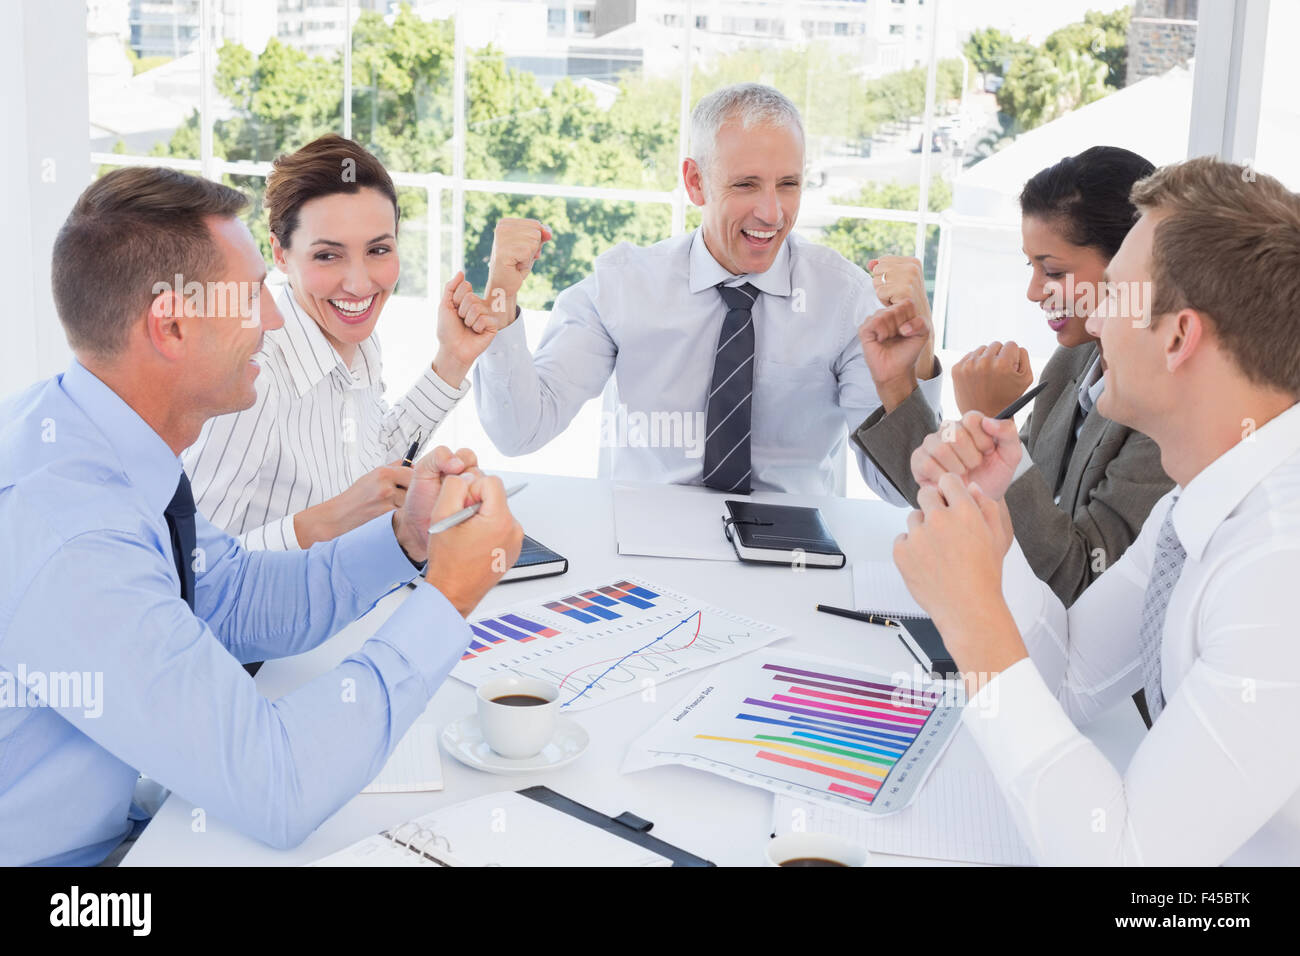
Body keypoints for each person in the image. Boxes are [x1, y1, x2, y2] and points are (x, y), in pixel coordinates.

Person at [0, 166, 522, 866]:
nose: (275, 318)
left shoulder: (89, 428)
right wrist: (449, 596)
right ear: (172, 323)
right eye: (251, 297)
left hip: (132, 819)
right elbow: (279, 785)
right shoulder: (77, 542)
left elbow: (231, 595)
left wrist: (406, 538)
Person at [892, 157, 1300, 865]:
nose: (1090, 314)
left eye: (1112, 292)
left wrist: (970, 616)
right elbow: (1074, 677)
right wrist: (992, 506)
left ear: (1178, 338)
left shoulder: (1279, 565)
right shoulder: (1199, 499)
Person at [462, 82, 941, 500]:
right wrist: (502, 293)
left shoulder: (845, 300)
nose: (772, 213)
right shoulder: (624, 285)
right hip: (643, 538)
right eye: (746, 185)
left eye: (788, 184)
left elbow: (905, 489)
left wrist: (919, 364)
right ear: (696, 182)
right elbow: (519, 432)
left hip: (791, 551)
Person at [854, 147, 1174, 606]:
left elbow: (1079, 583)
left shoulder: (1165, 407)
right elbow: (960, 503)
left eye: (1054, 270)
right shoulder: (1074, 362)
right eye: (1032, 266)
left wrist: (988, 422)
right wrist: (896, 383)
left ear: (1129, 265)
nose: (1032, 291)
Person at [183, 134, 498, 550]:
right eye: (328, 256)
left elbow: (371, 458)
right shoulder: (252, 377)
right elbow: (190, 564)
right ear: (280, 254)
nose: (359, 283)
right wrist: (326, 523)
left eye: (378, 250)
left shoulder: (359, 343)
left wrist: (452, 359)